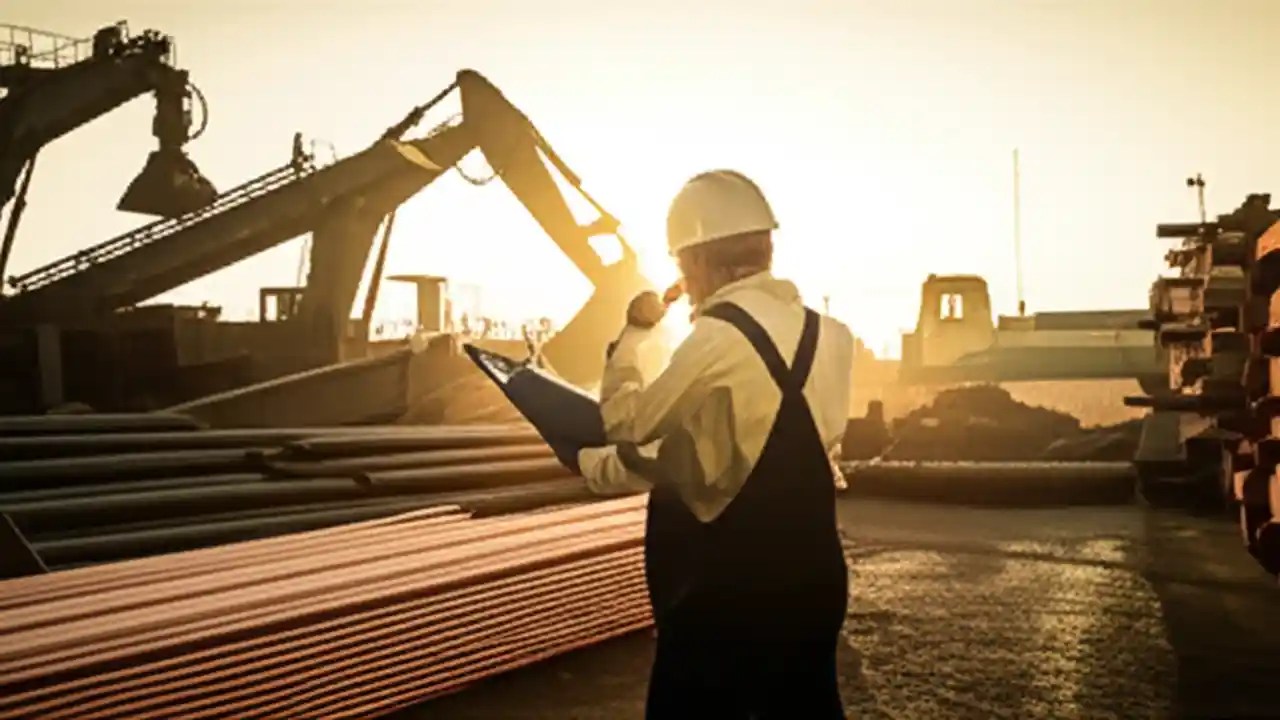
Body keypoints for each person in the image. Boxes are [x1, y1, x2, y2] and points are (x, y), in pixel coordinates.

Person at [575, 169, 855, 718]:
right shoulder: (834, 335)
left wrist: (633, 337)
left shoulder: (716, 335)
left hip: (732, 585)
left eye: (683, 265)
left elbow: (631, 425)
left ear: (698, 261)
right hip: (816, 572)